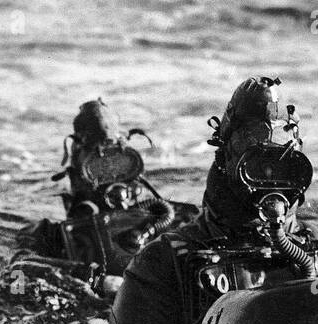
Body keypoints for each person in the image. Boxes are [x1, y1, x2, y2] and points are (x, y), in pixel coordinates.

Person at [106, 76, 318, 324]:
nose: (270, 181)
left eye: (280, 167)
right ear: (226, 162)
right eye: (257, 167)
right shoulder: (167, 261)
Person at [19, 99, 198, 295]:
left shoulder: (174, 221)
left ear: (135, 175)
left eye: (121, 167)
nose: (112, 184)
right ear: (76, 179)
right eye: (97, 170)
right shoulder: (50, 237)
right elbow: (20, 269)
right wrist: (95, 280)